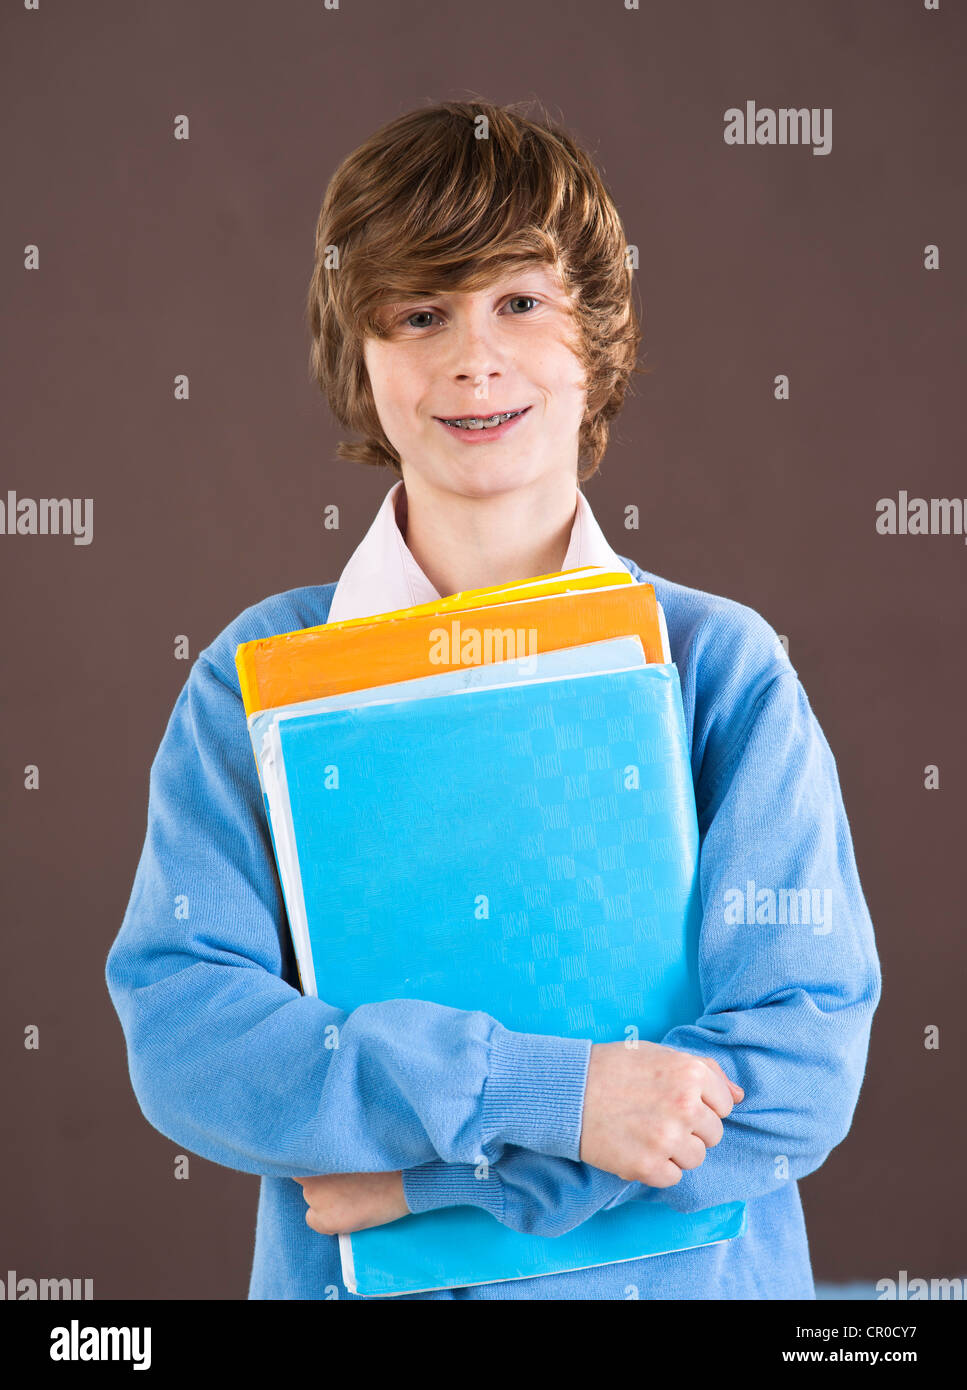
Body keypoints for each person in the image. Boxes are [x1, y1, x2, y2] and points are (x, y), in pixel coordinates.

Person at [105, 99, 881, 1300]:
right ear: (359, 359)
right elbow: (188, 1033)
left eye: (520, 302)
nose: (475, 359)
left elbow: (800, 1063)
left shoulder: (718, 668)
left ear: (596, 336)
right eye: (421, 315)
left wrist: (432, 1184)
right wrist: (556, 1097)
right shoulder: (256, 676)